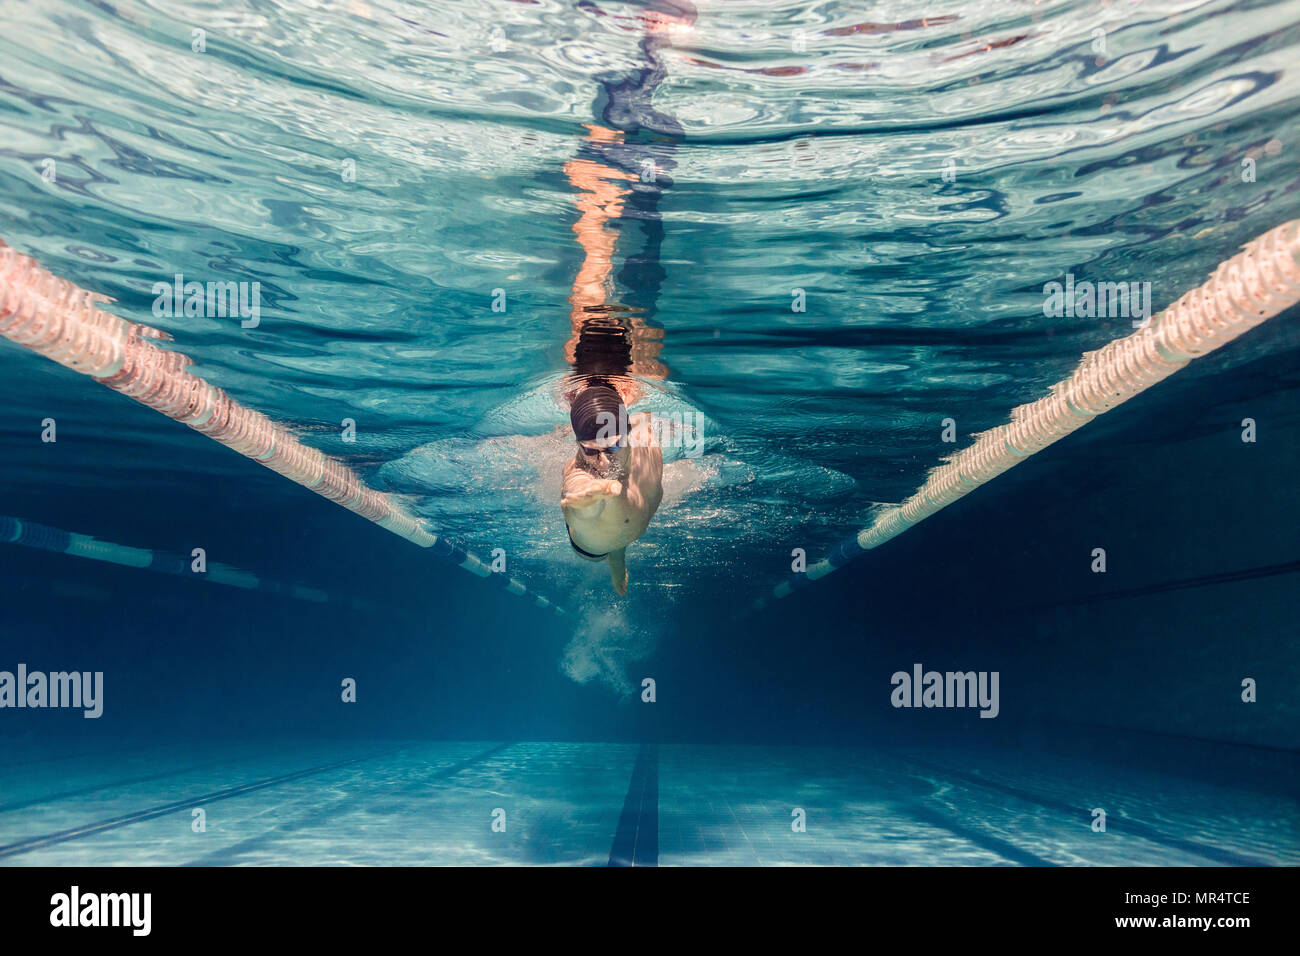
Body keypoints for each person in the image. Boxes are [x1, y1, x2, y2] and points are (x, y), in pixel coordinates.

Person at [561, 382, 662, 594]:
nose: (603, 462)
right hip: (593, 545)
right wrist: (585, 503)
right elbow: (576, 483)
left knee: (619, 516)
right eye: (590, 451)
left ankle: (618, 555)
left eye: (613, 446)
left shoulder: (643, 430)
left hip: (622, 527)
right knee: (613, 522)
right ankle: (615, 558)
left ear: (629, 431)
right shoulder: (580, 469)